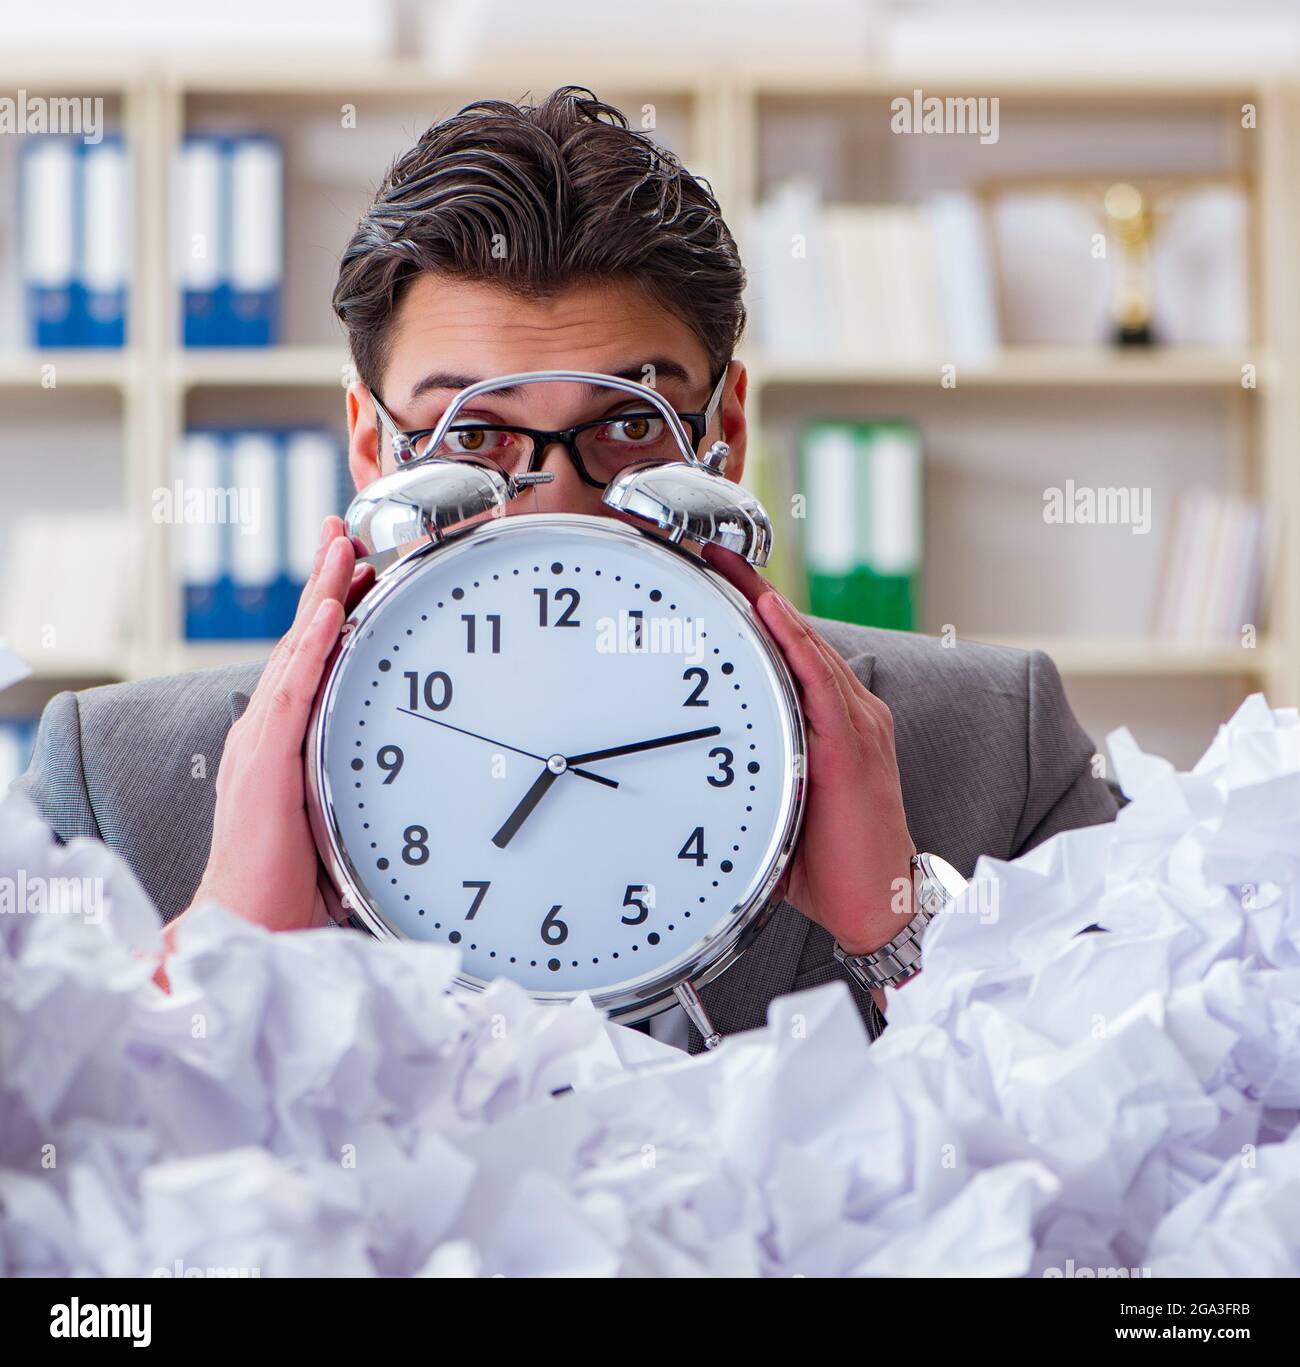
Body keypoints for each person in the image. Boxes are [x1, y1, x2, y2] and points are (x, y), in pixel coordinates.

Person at [14, 86, 1118, 1053]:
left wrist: (899, 923)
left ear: (723, 426)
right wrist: (224, 949)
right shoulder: (120, 782)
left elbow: (1164, 1161)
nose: (555, 502)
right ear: (368, 446)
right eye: (475, 434)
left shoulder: (997, 743)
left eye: (629, 425)